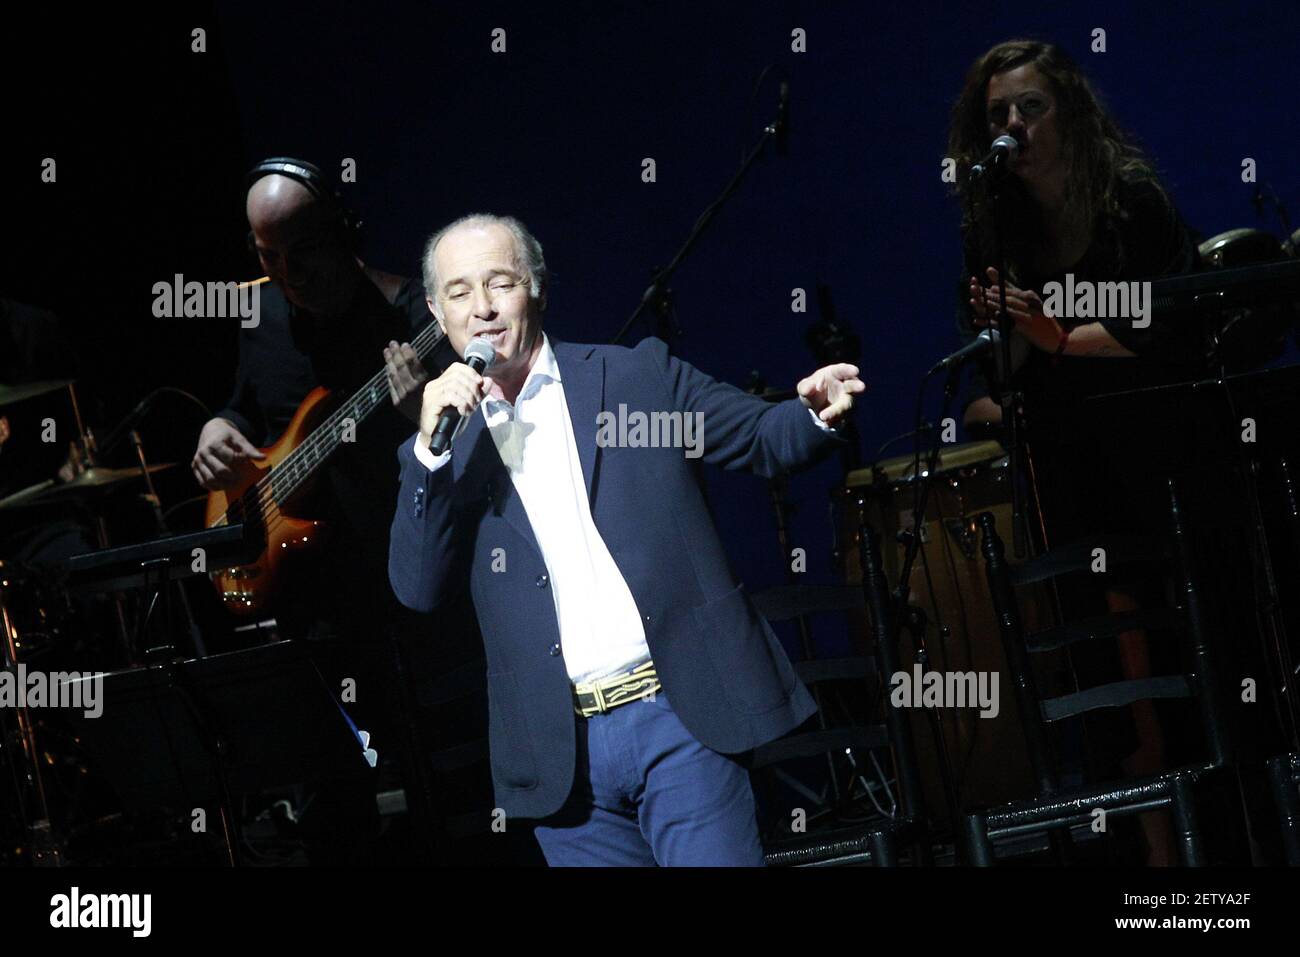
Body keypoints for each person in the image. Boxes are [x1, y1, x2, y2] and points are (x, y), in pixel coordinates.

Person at [388, 213, 864, 866]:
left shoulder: (634, 377)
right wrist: (428, 450)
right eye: (461, 292)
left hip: (680, 718)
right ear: (439, 317)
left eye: (500, 282)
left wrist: (812, 410)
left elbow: (759, 435)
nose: (484, 308)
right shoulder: (446, 450)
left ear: (538, 289)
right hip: (562, 757)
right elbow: (416, 586)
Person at [947, 40, 1201, 865]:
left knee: (1171, 661)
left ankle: (1206, 856)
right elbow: (1006, 367)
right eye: (997, 115)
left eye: (1030, 108)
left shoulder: (1128, 199)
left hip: (1155, 447)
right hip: (1067, 465)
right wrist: (1009, 345)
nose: (1013, 126)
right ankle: (1150, 861)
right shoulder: (999, 223)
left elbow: (1160, 330)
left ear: (1069, 110)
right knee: (1110, 679)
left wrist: (1050, 336)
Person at [190, 157, 459, 862]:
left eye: (302, 252)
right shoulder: (263, 316)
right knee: (332, 824)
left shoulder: (406, 314)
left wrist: (419, 416)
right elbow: (248, 409)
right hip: (306, 610)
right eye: (268, 257)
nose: (288, 274)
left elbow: (477, 460)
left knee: (442, 802)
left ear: (343, 231)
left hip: (399, 599)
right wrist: (216, 425)